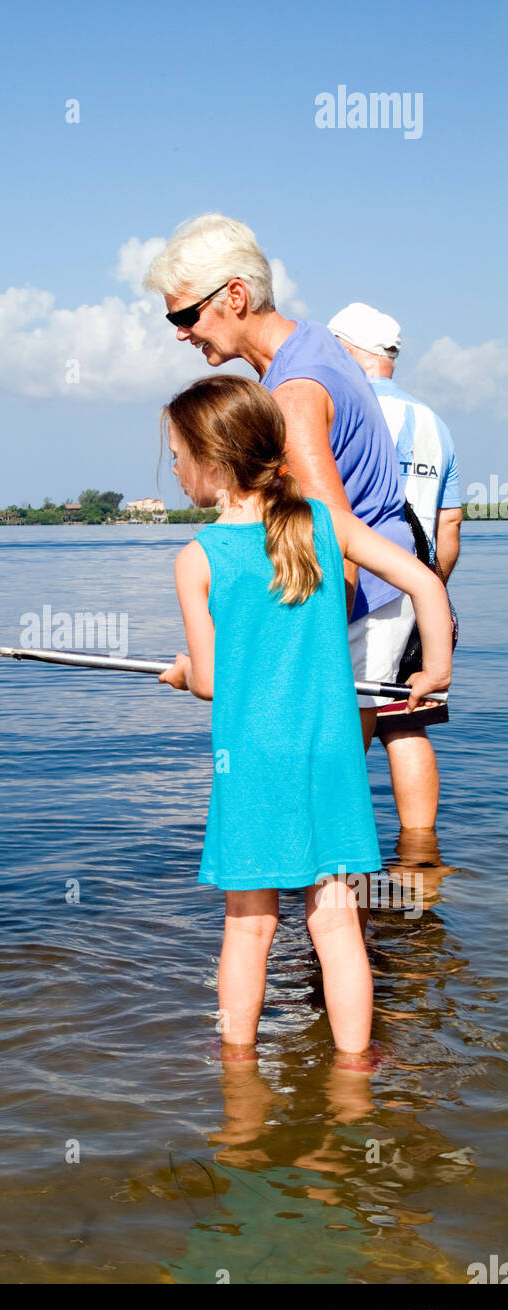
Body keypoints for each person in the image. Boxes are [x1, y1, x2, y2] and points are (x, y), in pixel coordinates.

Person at [157, 376, 452, 1057]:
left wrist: (179, 675)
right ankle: (355, 1066)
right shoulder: (323, 524)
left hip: (251, 759)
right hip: (330, 755)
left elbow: (208, 683)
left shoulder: (197, 557)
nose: (172, 469)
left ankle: (237, 1066)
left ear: (213, 458)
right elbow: (423, 581)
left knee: (248, 924)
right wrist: (432, 668)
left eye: (176, 454)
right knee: (337, 916)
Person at [145, 214, 417, 756]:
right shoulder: (312, 341)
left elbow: (335, 545)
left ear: (236, 295)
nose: (179, 330)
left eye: (185, 313)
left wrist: (307, 650)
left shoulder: (292, 395)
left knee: (323, 774)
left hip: (360, 603)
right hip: (388, 587)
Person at [328, 302, 463, 829]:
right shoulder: (436, 423)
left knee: (349, 720)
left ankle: (339, 862)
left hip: (362, 591)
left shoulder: (341, 408)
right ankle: (421, 861)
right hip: (421, 589)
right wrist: (428, 592)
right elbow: (449, 526)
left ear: (343, 349)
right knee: (408, 723)